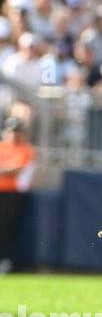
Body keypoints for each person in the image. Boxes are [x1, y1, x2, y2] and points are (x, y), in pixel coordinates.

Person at [0, 116, 36, 272]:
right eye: (11, 130)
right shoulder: (2, 147)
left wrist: (4, 169)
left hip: (12, 194)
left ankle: (5, 261)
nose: (14, 134)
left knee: (7, 229)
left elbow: (16, 170)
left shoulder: (26, 150)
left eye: (17, 131)